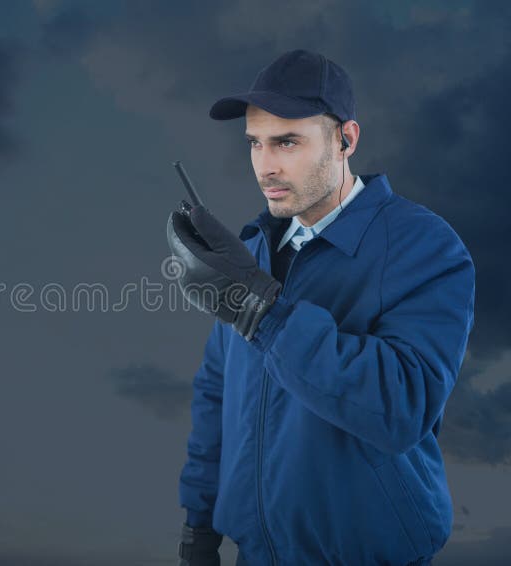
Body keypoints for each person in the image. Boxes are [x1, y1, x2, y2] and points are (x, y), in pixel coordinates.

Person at [166, 49, 475, 566]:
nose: (266, 166)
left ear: (345, 139)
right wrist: (197, 527)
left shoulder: (425, 247)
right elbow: (217, 399)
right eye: (255, 143)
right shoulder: (252, 252)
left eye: (287, 141)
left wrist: (261, 310)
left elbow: (402, 407)